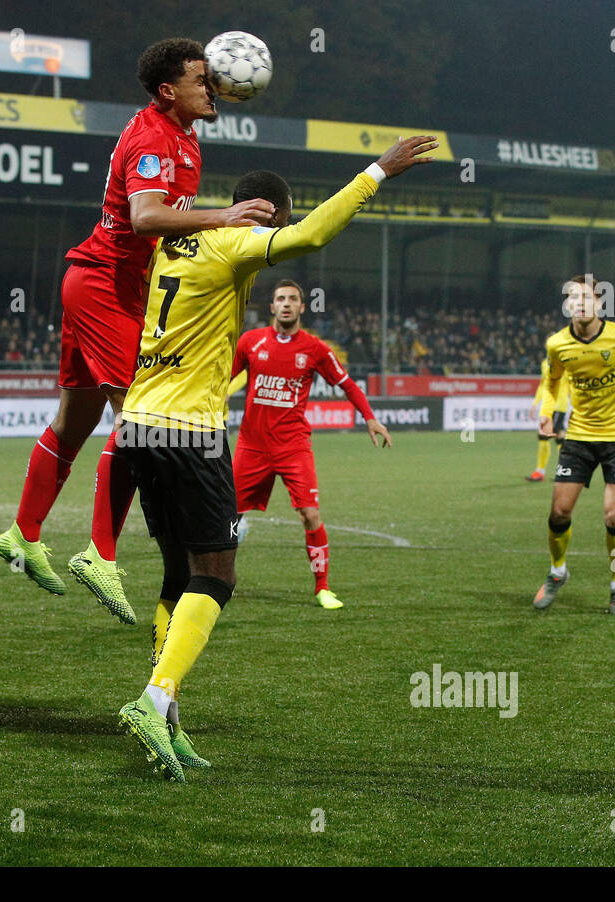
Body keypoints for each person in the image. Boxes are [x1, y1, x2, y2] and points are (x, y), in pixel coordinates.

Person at [115, 136, 438, 780]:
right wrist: (378, 170)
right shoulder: (234, 239)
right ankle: (155, 698)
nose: (281, 234)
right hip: (187, 430)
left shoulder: (172, 243)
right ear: (266, 213)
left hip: (137, 424)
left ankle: (168, 708)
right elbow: (314, 235)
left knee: (177, 572)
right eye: (279, 221)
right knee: (218, 574)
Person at [0, 37, 276, 625]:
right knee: (140, 416)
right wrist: (223, 216)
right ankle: (101, 551)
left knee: (73, 421)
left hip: (98, 284)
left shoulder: (184, 135)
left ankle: (23, 534)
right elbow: (145, 217)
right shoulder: (153, 137)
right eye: (204, 79)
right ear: (168, 90)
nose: (215, 86)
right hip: (105, 286)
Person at [228, 280, 391, 609]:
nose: (286, 304)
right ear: (272, 307)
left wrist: (369, 417)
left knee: (310, 515)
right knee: (227, 516)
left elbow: (347, 384)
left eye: (292, 299)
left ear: (303, 307)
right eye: (280, 299)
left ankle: (323, 588)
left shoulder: (315, 349)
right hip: (251, 445)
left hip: (293, 446)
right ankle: (220, 579)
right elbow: (222, 379)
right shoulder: (250, 341)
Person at [533, 274, 615, 615]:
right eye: (573, 299)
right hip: (579, 436)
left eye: (587, 298)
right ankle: (557, 572)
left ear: (600, 304)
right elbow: (552, 380)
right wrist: (548, 413)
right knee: (559, 512)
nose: (580, 304)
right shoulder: (558, 344)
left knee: (613, 514)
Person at [526, 356, 568, 481]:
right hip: (547, 406)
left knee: (548, 437)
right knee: (557, 438)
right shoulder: (545, 363)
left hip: (559, 405)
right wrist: (535, 404)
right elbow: (542, 385)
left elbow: (573, 383)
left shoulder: (566, 362)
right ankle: (557, 472)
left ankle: (550, 472)